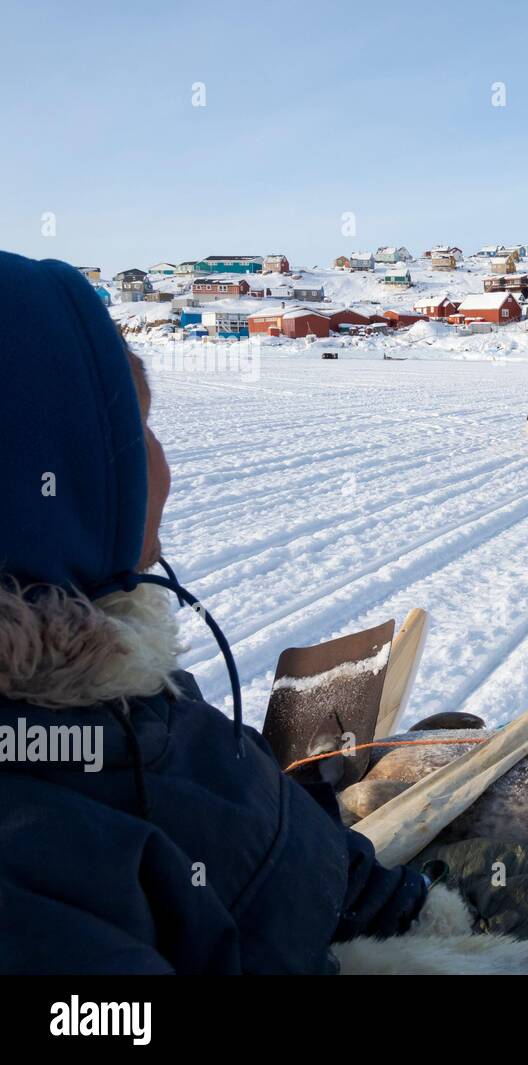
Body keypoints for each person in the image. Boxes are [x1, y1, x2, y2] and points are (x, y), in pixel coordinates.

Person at [0, 251, 433, 973]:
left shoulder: (124, 695)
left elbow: (292, 851)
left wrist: (412, 903)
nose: (160, 459)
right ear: (50, 471)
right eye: (131, 430)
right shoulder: (36, 855)